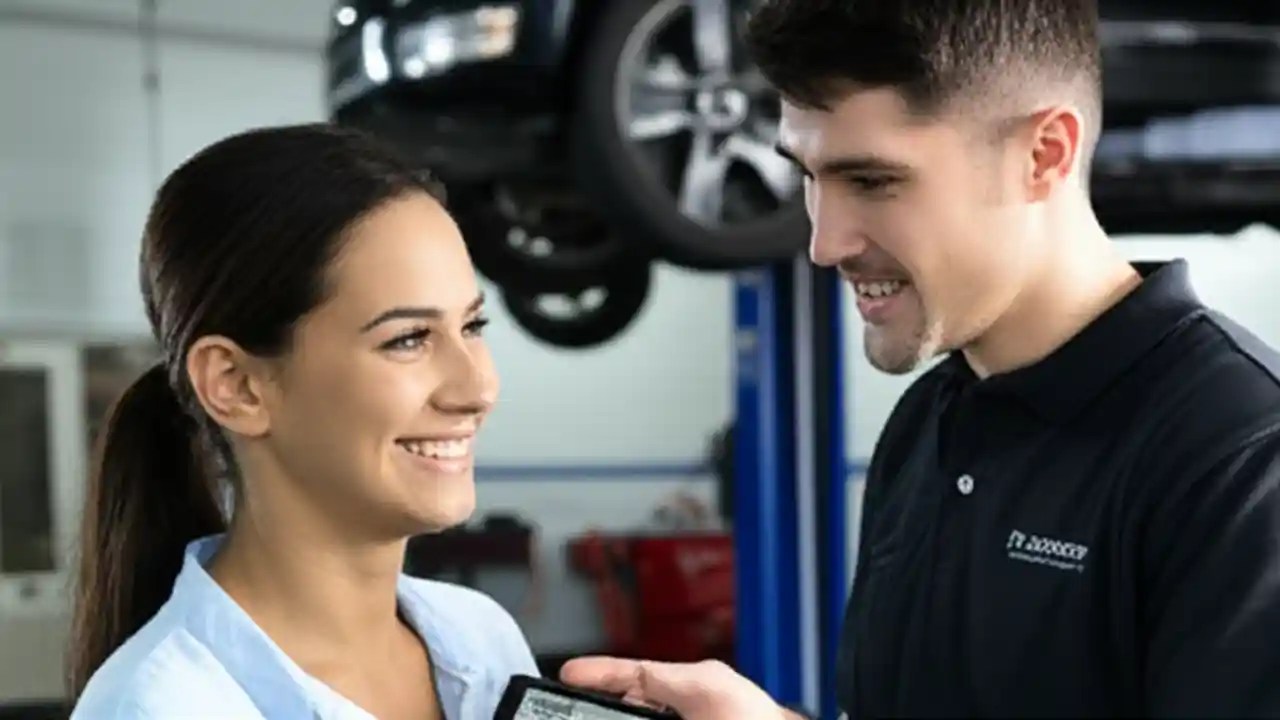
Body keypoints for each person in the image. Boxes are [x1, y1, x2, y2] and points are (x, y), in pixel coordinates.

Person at [562, 0, 1280, 717]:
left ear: (1045, 154)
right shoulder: (929, 422)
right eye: (809, 178)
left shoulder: (1241, 458)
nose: (824, 243)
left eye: (872, 181)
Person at [68, 124, 538, 719]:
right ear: (236, 385)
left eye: (472, 327)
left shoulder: (482, 641)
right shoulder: (162, 707)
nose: (479, 388)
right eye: (409, 338)